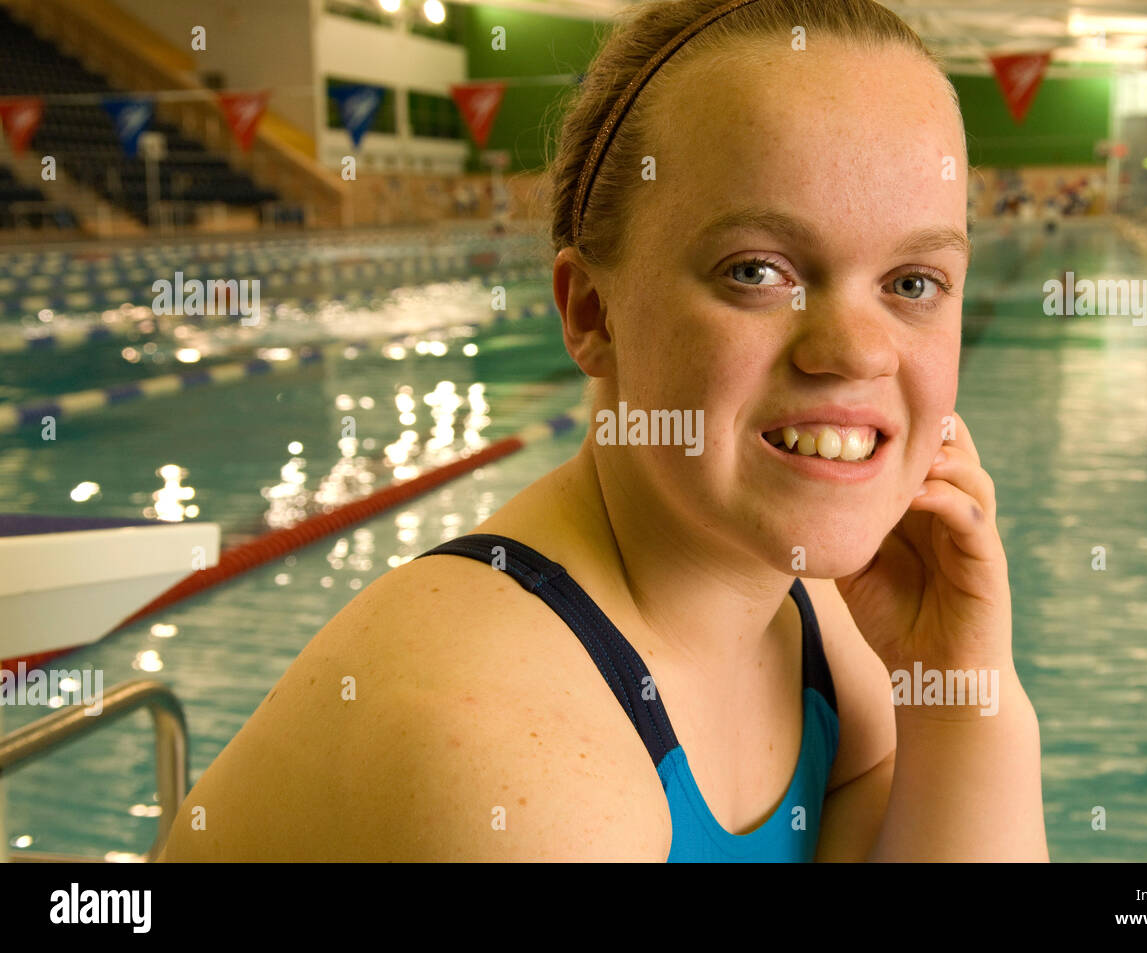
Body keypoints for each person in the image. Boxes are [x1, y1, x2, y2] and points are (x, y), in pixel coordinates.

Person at [160, 0, 1047, 862]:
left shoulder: (825, 624)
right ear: (591, 312)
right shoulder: (508, 748)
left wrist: (964, 695)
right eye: (757, 271)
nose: (856, 352)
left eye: (915, 283)